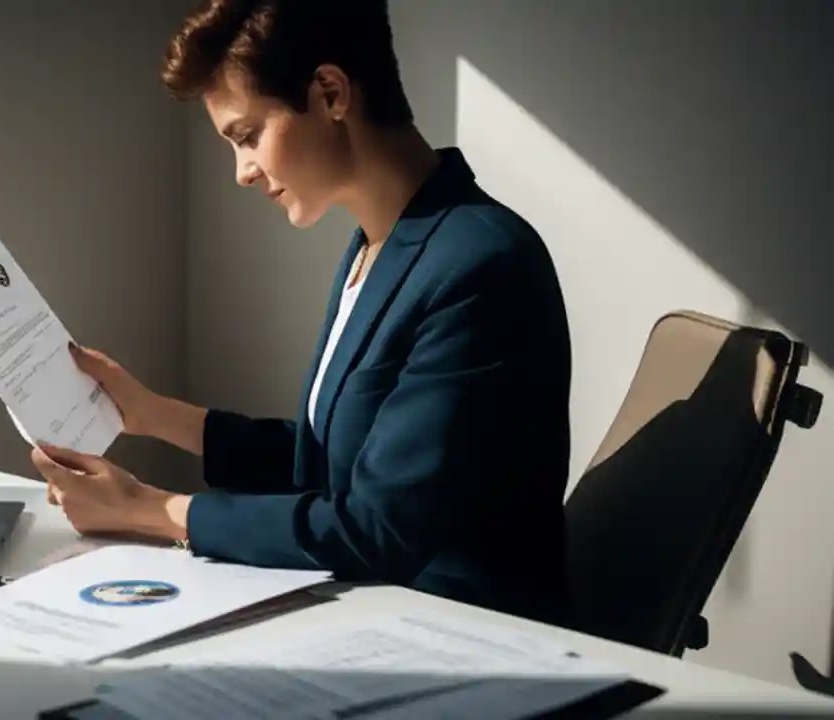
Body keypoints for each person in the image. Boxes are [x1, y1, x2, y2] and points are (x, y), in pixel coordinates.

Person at [30, 0, 572, 626]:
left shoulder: (479, 263)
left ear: (330, 92)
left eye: (247, 135)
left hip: (464, 635)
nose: (242, 172)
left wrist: (151, 510)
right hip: (367, 610)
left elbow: (377, 527)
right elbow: (327, 465)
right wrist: (149, 413)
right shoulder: (376, 248)